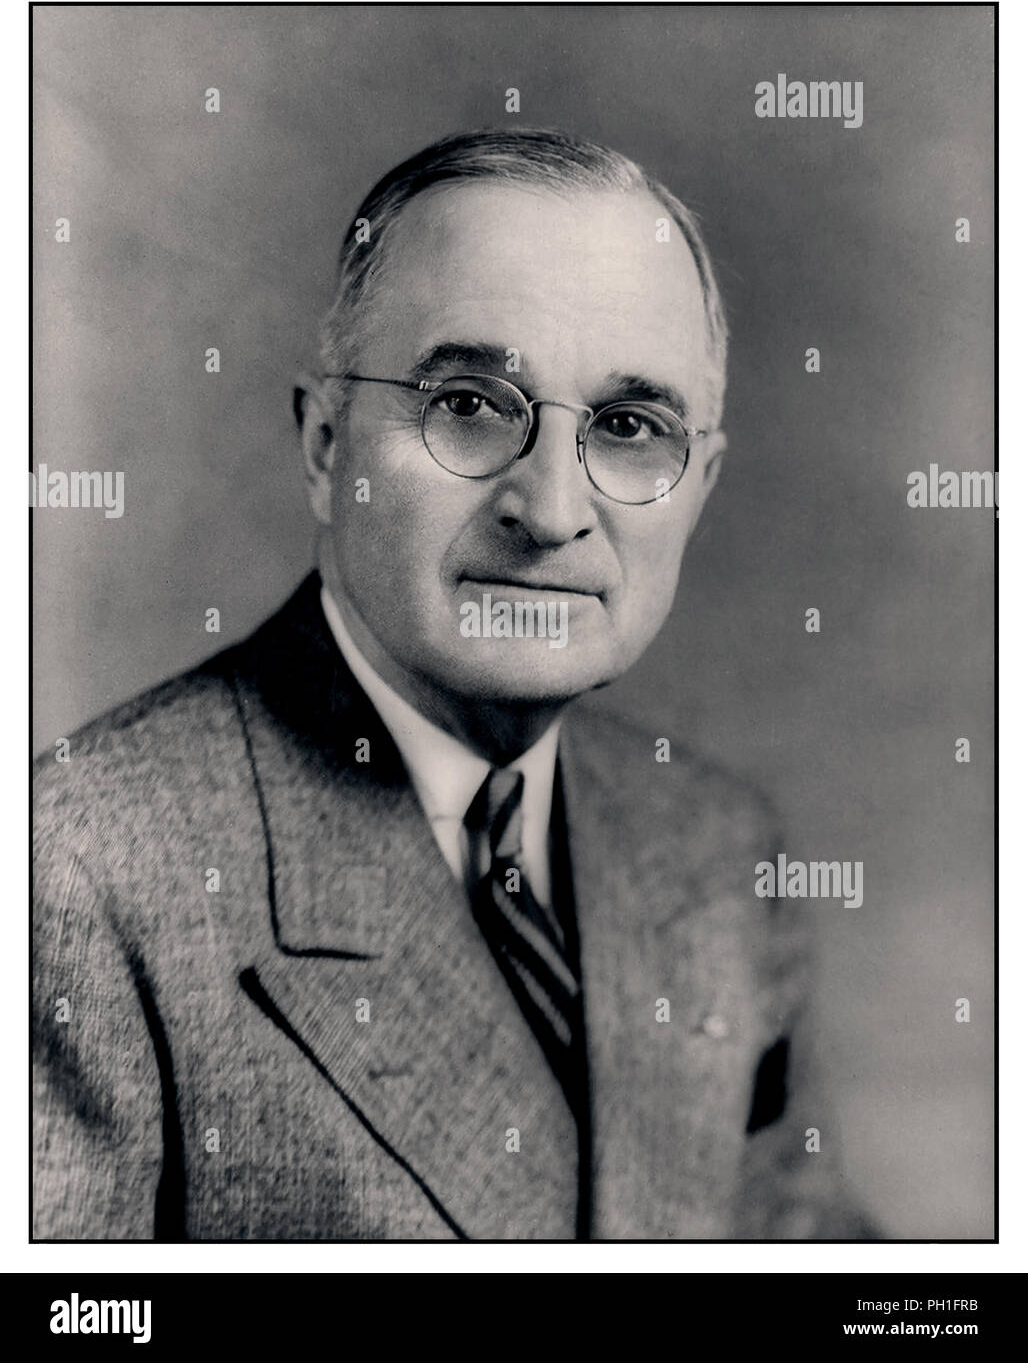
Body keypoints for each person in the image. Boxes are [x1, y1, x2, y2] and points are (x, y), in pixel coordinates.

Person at [33, 126, 872, 1240]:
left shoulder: (715, 849)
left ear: (699, 485)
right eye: (470, 404)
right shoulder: (78, 873)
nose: (552, 508)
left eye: (628, 428)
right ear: (328, 447)